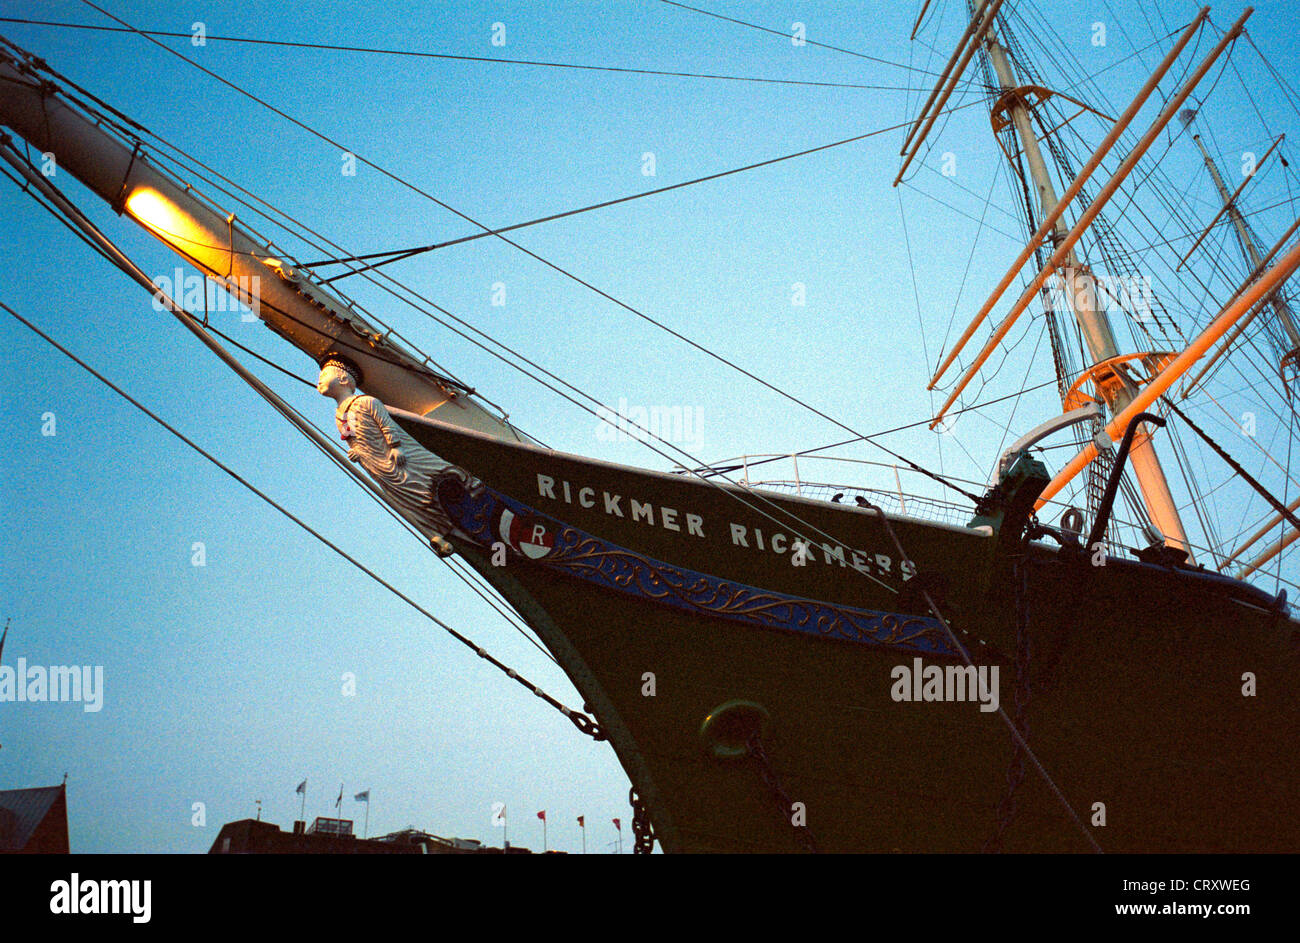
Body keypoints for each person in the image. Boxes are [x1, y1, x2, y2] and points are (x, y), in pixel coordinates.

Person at [316, 353, 455, 554]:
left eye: (325, 374)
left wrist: (396, 445)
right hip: (374, 464)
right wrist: (354, 452)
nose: (318, 380)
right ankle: (434, 526)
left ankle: (446, 506)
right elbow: (351, 438)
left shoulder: (366, 402)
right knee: (399, 495)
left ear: (344, 379)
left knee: (414, 481)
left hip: (392, 456)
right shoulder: (340, 415)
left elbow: (386, 424)